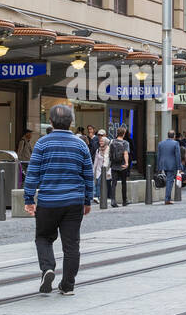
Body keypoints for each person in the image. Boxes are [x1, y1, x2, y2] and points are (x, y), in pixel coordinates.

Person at [23, 104, 93, 296]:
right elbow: (88, 175)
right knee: (72, 245)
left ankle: (48, 268)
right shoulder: (81, 145)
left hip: (48, 200)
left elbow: (33, 173)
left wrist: (29, 198)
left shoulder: (42, 144)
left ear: (51, 122)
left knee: (43, 237)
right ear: (71, 122)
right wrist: (88, 200)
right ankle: (68, 285)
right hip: (74, 201)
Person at [157, 130, 183, 204]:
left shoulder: (161, 143)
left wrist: (158, 167)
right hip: (172, 165)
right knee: (169, 181)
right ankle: (167, 199)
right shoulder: (176, 143)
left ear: (167, 135)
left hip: (163, 164)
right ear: (174, 136)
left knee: (169, 180)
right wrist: (179, 167)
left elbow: (158, 155)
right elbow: (178, 156)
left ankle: (168, 198)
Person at [110, 126, 132, 205]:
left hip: (114, 165)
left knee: (114, 183)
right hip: (122, 166)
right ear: (124, 134)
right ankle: (124, 201)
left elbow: (110, 153)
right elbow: (125, 153)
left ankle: (113, 200)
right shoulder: (125, 143)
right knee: (123, 183)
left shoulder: (112, 142)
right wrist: (126, 163)